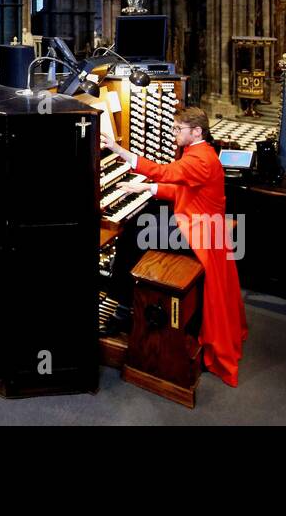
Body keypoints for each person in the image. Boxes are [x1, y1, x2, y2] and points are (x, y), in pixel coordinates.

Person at [101, 107, 248, 387]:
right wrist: (145, 190)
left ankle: (123, 307)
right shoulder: (200, 153)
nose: (173, 135)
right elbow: (183, 188)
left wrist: (118, 150)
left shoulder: (201, 158)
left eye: (177, 130)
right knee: (141, 224)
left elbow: (162, 171)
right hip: (198, 224)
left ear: (196, 132)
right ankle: (129, 301)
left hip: (199, 234)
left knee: (132, 232)